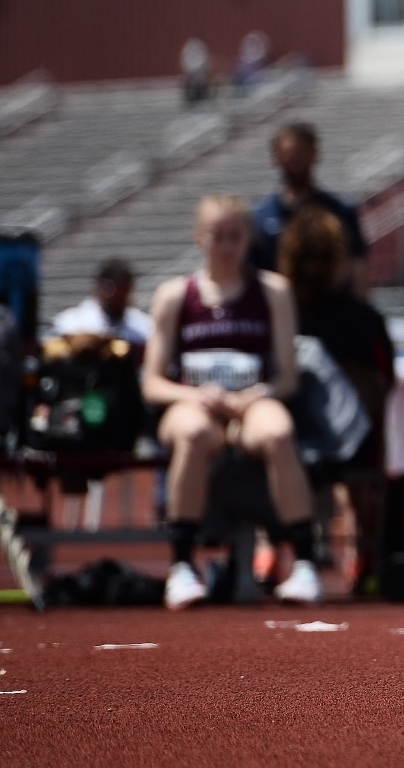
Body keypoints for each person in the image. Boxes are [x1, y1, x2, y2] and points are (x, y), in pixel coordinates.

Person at [142, 195, 320, 609]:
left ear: (247, 239)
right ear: (199, 238)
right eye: (217, 236)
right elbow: (152, 383)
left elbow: (287, 377)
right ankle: (182, 566)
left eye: (235, 237)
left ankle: (305, 563)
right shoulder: (174, 296)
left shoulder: (273, 291)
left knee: (278, 432)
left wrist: (255, 395)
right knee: (192, 432)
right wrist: (196, 395)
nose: (226, 246)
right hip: (194, 404)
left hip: (250, 403)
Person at [279, 206, 395, 592]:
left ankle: (267, 549)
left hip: (294, 447)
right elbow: (386, 384)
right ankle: (366, 553)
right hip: (355, 447)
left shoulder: (280, 318)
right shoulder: (365, 321)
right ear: (339, 261)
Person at [249, 122, 369, 296]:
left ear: (314, 155)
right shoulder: (260, 218)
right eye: (289, 154)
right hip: (280, 307)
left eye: (301, 153)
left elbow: (357, 266)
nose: (295, 161)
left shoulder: (339, 211)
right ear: (276, 158)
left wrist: (361, 308)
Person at [51, 258, 154, 346]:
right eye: (110, 287)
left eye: (123, 288)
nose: (116, 295)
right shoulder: (73, 323)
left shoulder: (143, 327)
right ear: (98, 285)